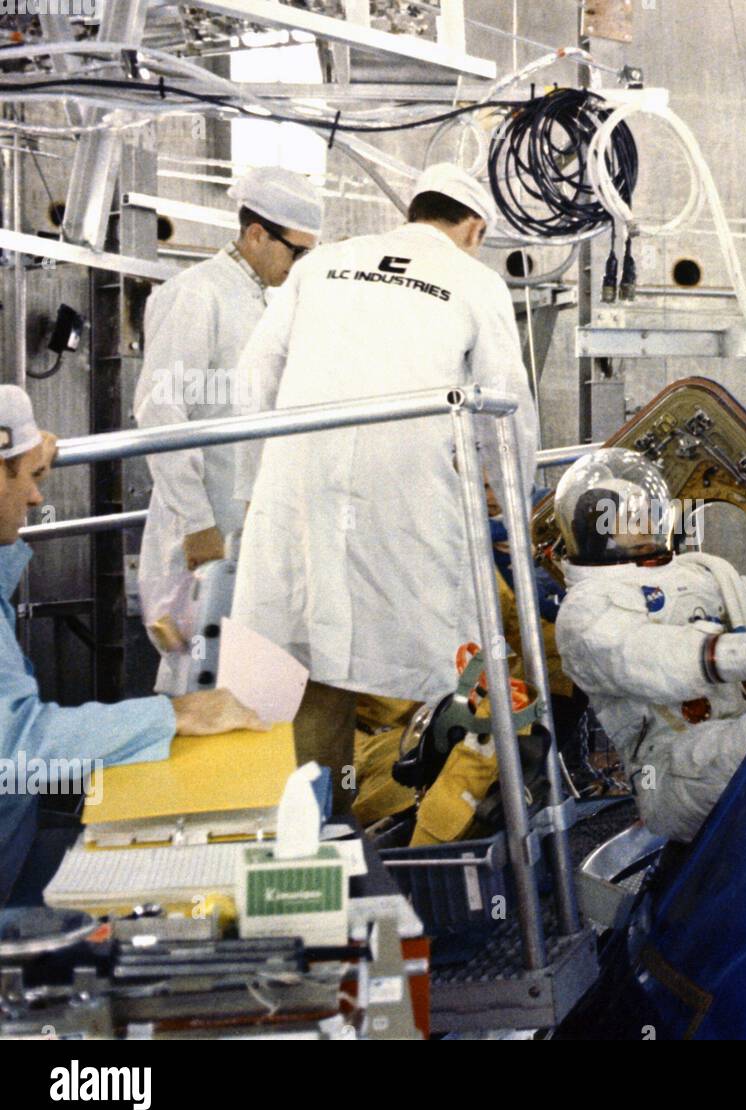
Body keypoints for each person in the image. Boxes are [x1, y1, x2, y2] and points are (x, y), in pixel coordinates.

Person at [230, 163, 537, 817]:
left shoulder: (323, 265)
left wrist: (276, 467)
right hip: (404, 499)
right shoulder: (476, 282)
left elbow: (253, 376)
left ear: (415, 212)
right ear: (474, 229)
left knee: (314, 669)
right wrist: (510, 503)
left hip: (299, 495)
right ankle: (449, 825)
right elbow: (507, 413)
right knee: (444, 663)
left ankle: (318, 841)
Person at [0, 387, 264, 903]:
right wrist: (174, 716)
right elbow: (14, 752)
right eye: (32, 478)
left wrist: (24, 452)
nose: (38, 498)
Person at [552, 450, 746, 843]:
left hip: (737, 733)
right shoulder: (585, 609)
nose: (644, 522)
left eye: (645, 511)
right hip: (671, 767)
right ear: (595, 530)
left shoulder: (701, 572)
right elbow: (650, 657)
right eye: (627, 516)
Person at [133, 167, 324, 693]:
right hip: (202, 522)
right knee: (192, 667)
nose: (301, 264)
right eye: (297, 251)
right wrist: (196, 522)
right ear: (256, 233)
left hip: (247, 522)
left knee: (244, 672)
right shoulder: (196, 294)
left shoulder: (273, 300)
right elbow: (160, 413)